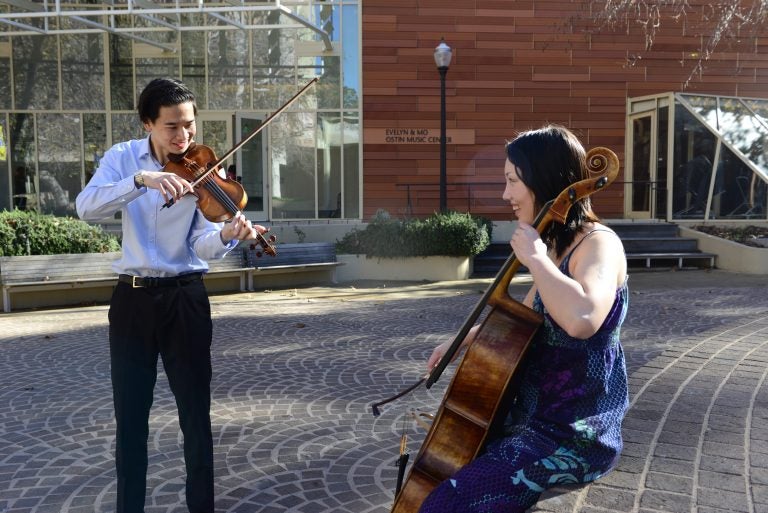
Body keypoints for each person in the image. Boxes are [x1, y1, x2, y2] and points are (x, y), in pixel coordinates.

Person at [76, 77, 266, 513]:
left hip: (185, 299)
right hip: (132, 302)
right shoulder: (122, 159)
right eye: (172, 127)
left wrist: (228, 235)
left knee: (195, 420)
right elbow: (86, 206)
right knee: (131, 422)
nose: (184, 138)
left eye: (190, 126)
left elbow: (201, 244)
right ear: (148, 123)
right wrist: (141, 180)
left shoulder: (201, 170)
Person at [419, 125, 629, 513]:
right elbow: (529, 321)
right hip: (530, 419)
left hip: (572, 435)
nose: (505, 194)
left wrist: (534, 259)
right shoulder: (556, 246)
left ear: (543, 180)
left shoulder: (599, 244)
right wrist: (463, 339)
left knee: (447, 502)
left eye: (512, 181)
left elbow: (584, 319)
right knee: (445, 465)